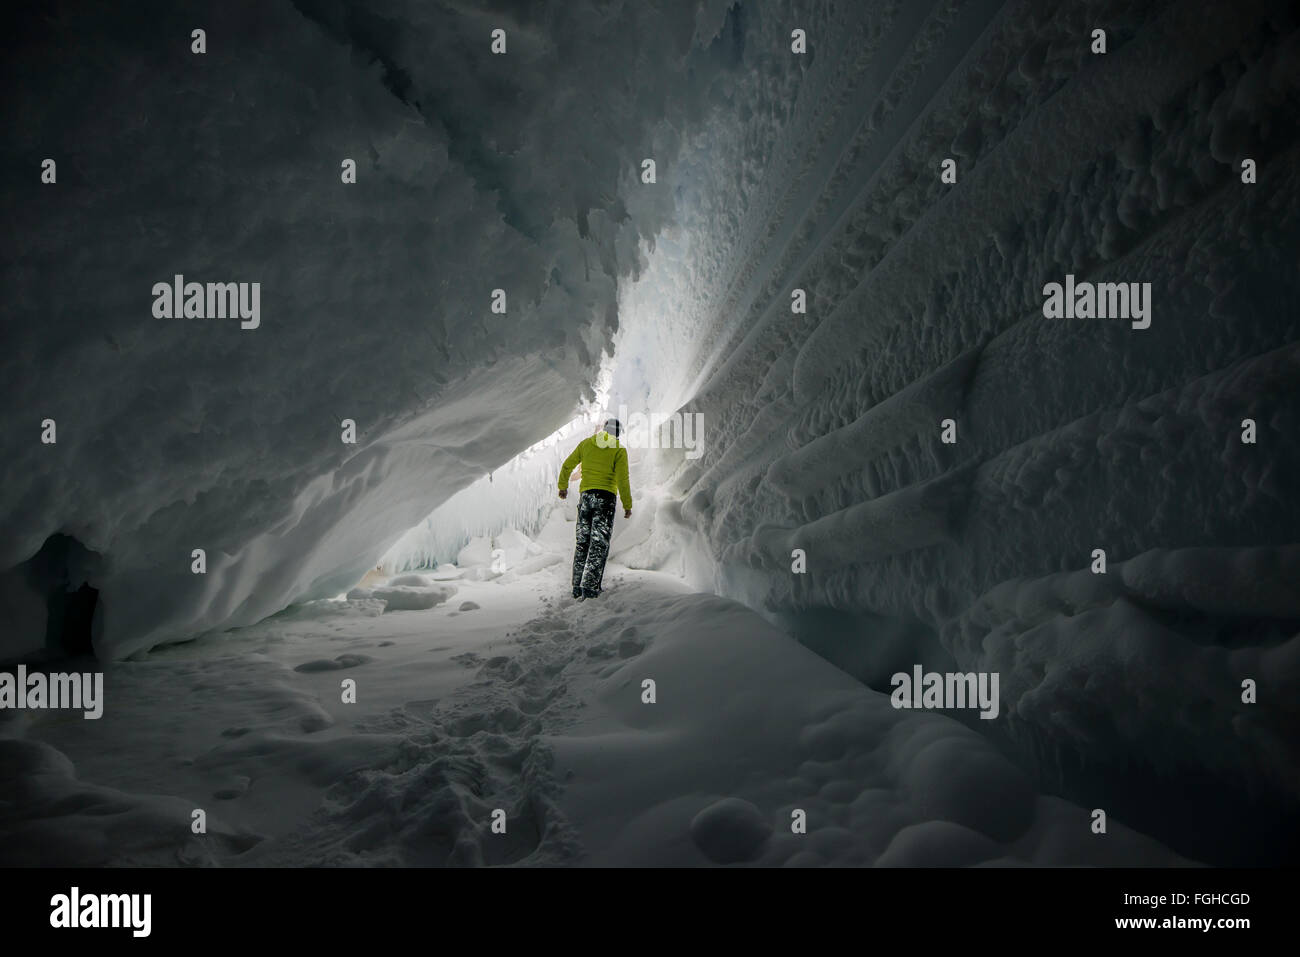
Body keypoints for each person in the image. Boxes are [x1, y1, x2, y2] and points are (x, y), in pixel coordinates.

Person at [558, 418, 632, 600]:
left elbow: (567, 465)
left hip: (586, 498)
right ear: (617, 433)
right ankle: (590, 588)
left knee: (582, 542)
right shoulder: (619, 450)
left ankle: (576, 587)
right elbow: (623, 479)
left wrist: (563, 486)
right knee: (599, 543)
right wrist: (627, 504)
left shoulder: (586, 444)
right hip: (605, 499)